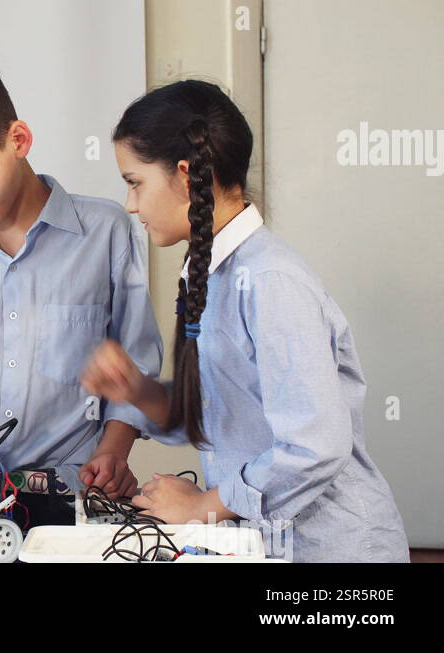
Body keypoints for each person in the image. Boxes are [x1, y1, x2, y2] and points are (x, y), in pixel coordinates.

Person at [81, 79, 408, 562]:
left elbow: (315, 445)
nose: (131, 205)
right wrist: (138, 390)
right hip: (266, 545)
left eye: (135, 183)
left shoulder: (271, 281)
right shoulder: (210, 273)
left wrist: (203, 506)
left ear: (186, 174)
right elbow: (228, 417)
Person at [0, 54, 164, 523]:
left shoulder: (107, 233)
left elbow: (135, 365)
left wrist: (114, 452)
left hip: (75, 494)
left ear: (18, 139)